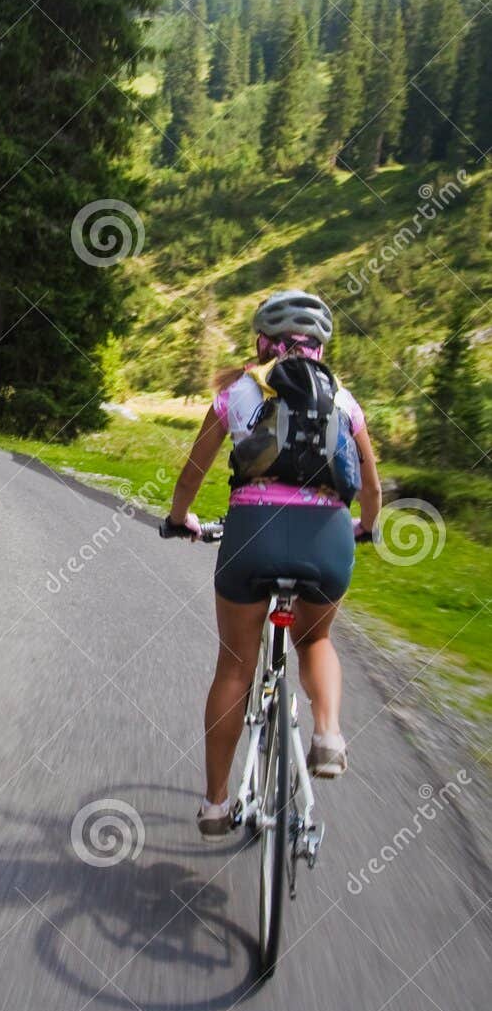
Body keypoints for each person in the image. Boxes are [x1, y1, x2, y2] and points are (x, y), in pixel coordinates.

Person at [161, 290, 382, 837]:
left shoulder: (238, 391)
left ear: (263, 342)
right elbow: (372, 489)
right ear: (320, 348)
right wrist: (364, 528)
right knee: (314, 642)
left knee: (235, 665)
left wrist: (181, 518)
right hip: (328, 542)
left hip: (250, 536)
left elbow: (192, 475)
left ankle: (215, 806)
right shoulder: (345, 401)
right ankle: (328, 734)